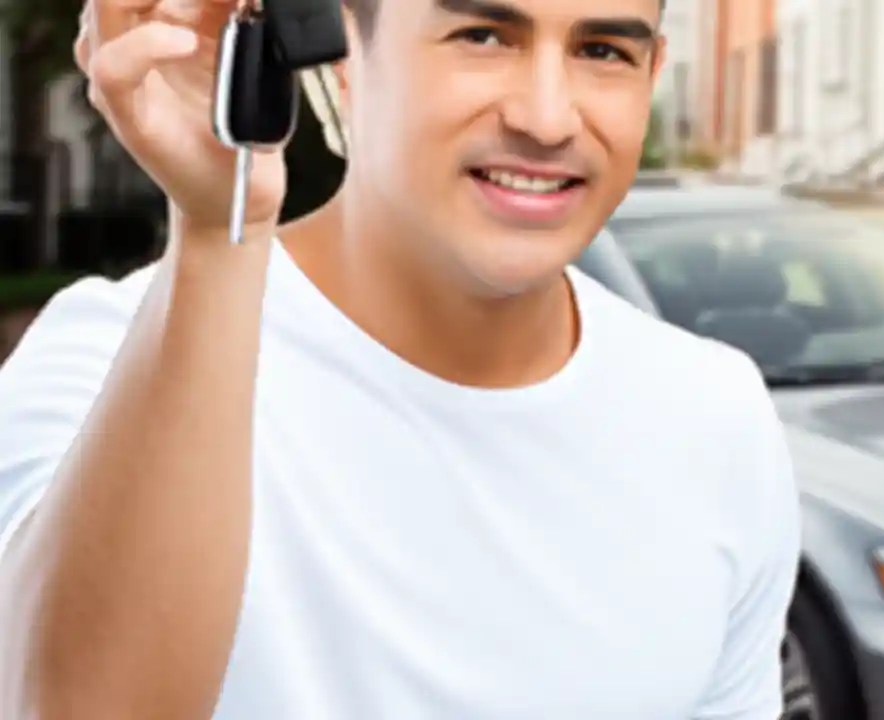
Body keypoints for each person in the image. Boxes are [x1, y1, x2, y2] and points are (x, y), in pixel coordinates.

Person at [0, 0, 801, 717]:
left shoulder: (715, 414)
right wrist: (218, 226)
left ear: (652, 71)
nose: (548, 118)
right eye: (482, 35)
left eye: (602, 52)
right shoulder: (104, 360)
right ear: (342, 55)